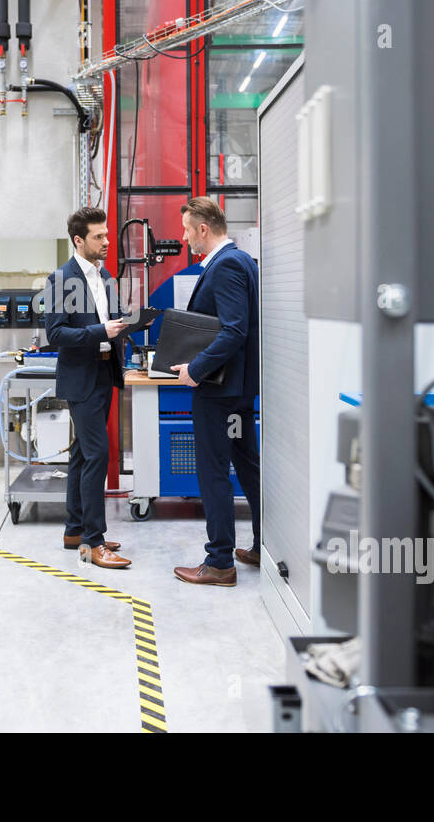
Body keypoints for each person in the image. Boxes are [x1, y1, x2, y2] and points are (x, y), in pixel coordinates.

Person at [169, 197, 262, 586]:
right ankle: (262, 543)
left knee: (213, 472)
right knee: (248, 467)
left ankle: (220, 561)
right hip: (238, 390)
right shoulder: (242, 262)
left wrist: (195, 369)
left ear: (203, 229)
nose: (185, 237)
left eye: (188, 229)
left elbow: (234, 330)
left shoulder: (224, 267)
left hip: (219, 391)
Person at [43, 207, 134, 569]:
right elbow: (55, 335)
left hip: (102, 374)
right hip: (80, 379)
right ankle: (94, 543)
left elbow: (109, 320)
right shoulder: (60, 280)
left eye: (107, 234)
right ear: (79, 241)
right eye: (99, 236)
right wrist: (101, 332)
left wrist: (132, 322)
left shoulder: (105, 275)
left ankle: (74, 530)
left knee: (82, 453)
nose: (107, 241)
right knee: (98, 454)